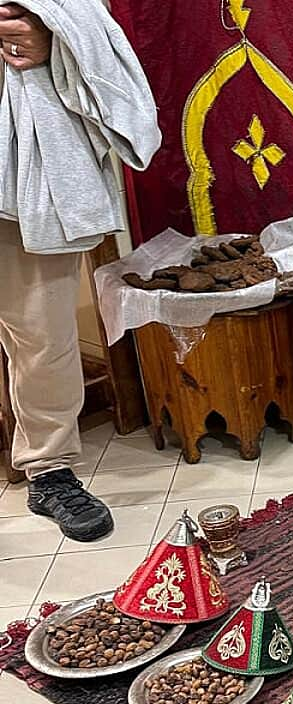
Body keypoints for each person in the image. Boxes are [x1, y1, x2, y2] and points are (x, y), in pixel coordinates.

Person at [0, 4, 115, 541]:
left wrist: (59, 38)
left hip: (25, 166)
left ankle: (49, 471)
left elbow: (87, 12)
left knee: (43, 333)